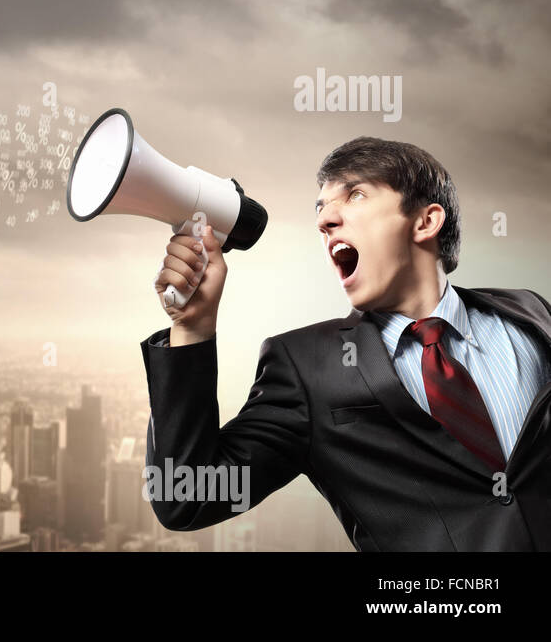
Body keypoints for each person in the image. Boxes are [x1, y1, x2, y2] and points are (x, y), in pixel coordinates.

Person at [144, 136, 551, 550]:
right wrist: (192, 330)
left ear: (426, 222)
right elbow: (187, 496)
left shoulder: (531, 316)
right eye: (320, 211)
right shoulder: (306, 368)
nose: (326, 221)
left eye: (355, 195)